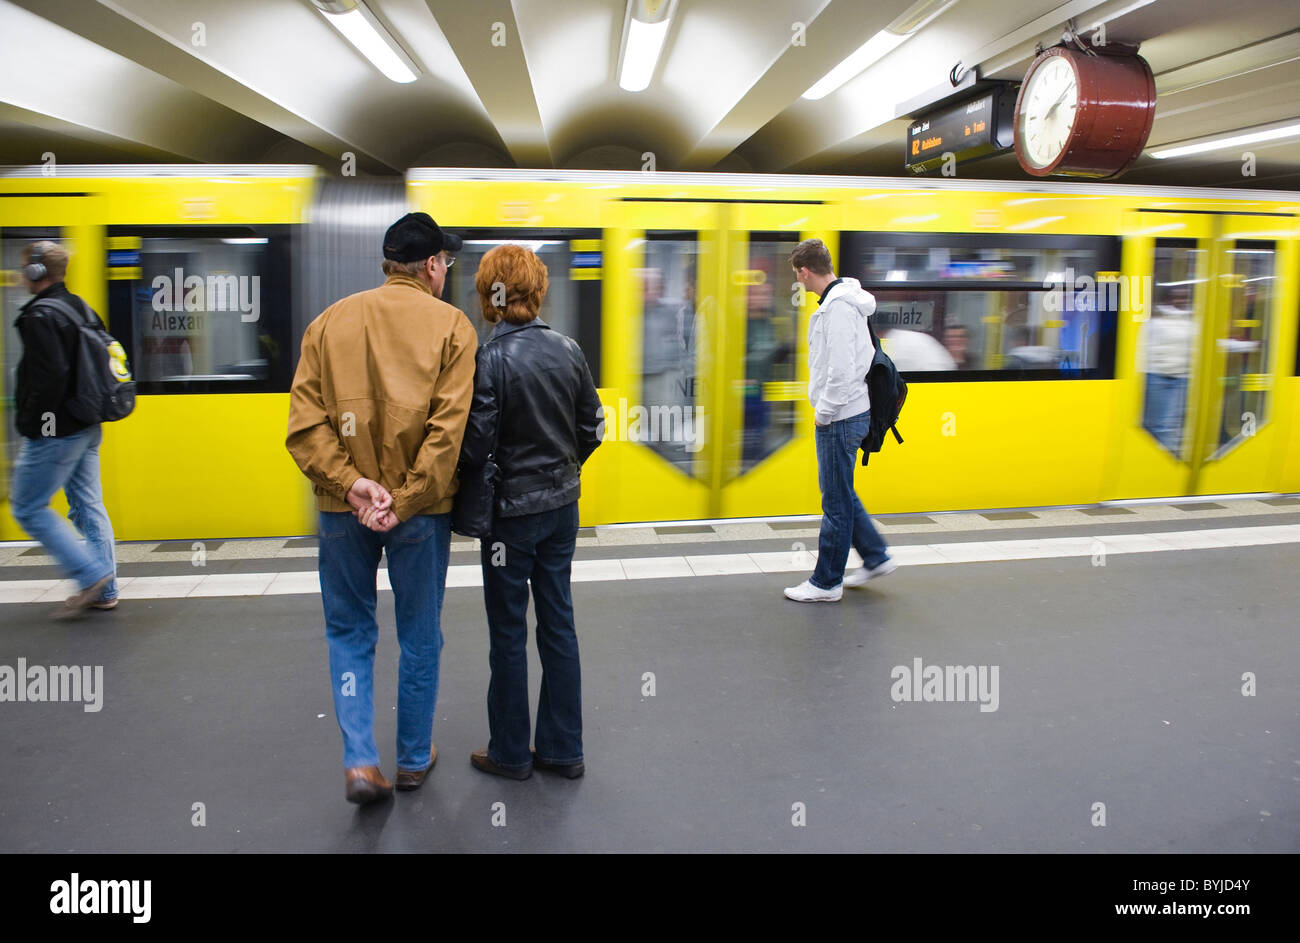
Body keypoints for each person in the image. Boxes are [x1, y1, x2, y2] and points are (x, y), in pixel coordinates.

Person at [286, 212, 477, 805]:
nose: (446, 271)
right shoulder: (453, 327)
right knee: (420, 634)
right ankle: (414, 759)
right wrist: (408, 499)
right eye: (446, 263)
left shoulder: (326, 324)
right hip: (421, 516)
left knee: (349, 630)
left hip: (345, 513)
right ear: (432, 266)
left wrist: (352, 487)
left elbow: (304, 428)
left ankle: (361, 763)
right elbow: (447, 435)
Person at [458, 244, 602, 780]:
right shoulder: (568, 349)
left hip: (508, 520)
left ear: (490, 295)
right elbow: (591, 428)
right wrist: (562, 468)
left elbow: (474, 447)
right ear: (538, 291)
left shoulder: (489, 359)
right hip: (562, 509)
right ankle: (564, 750)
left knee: (508, 631)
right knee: (559, 623)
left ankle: (511, 753)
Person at [11, 241, 119, 619]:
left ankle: (91, 575)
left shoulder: (41, 315)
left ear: (36, 272)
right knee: (89, 505)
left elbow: (49, 378)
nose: (23, 273)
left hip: (59, 428)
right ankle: (107, 589)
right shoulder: (79, 306)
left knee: (27, 506)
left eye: (25, 267)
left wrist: (36, 425)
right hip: (87, 424)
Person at [784, 238, 894, 603]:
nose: (799, 283)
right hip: (848, 412)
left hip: (841, 416)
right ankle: (875, 555)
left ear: (804, 270)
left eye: (797, 276)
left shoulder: (838, 309)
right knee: (841, 493)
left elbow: (843, 370)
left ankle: (826, 581)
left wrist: (824, 413)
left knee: (834, 501)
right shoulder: (843, 301)